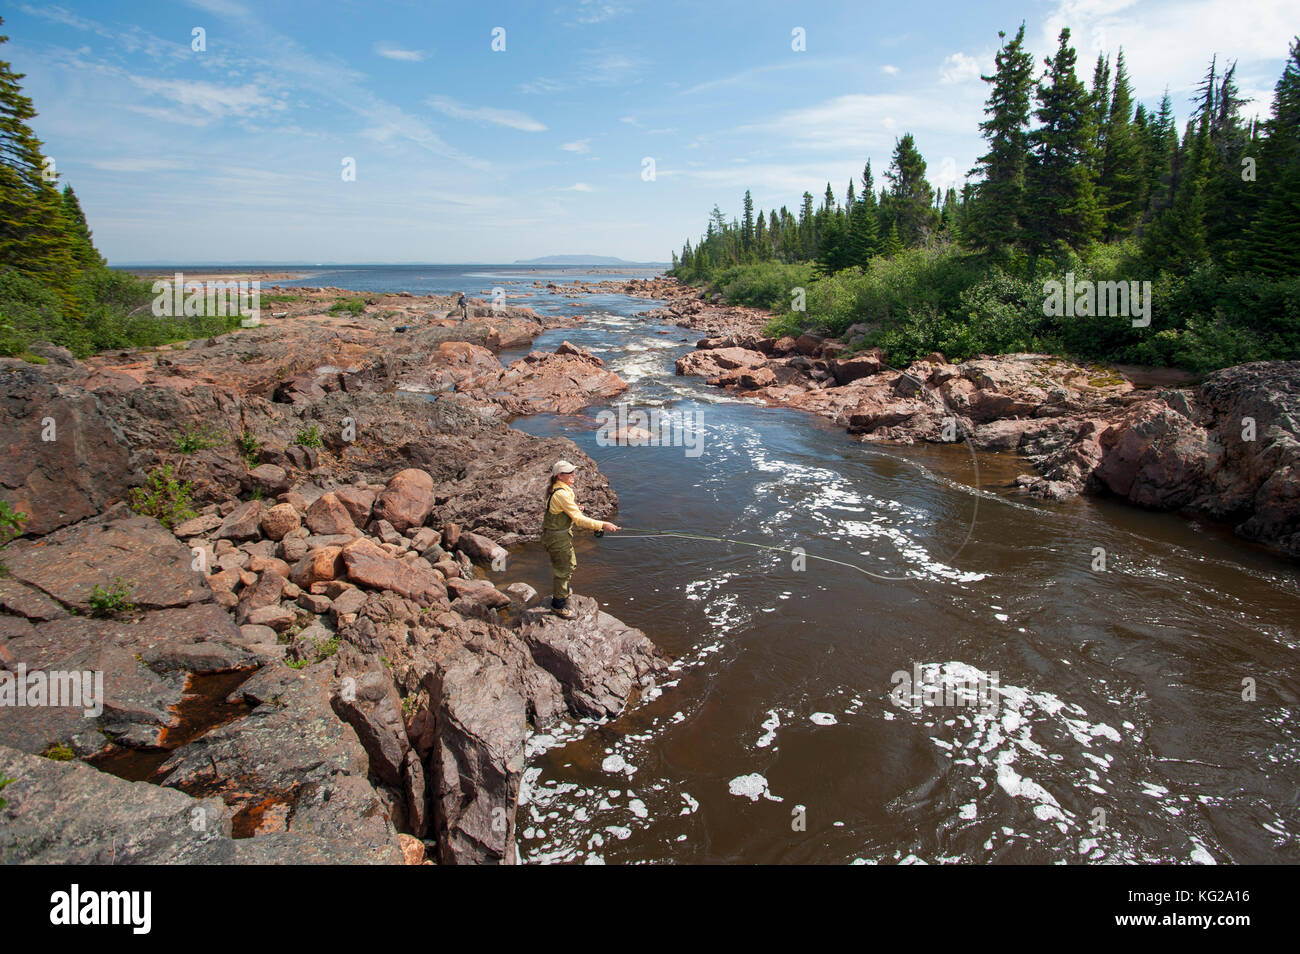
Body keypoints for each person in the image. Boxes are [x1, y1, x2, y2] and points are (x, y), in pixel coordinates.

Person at [541, 459, 618, 619]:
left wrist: (575, 507)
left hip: (559, 536)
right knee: (563, 570)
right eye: (570, 472)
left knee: (570, 564)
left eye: (573, 471)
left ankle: (564, 590)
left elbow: (564, 509)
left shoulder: (561, 490)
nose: (573, 474)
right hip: (557, 539)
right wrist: (602, 524)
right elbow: (578, 520)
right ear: (560, 476)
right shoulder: (561, 493)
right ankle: (558, 605)